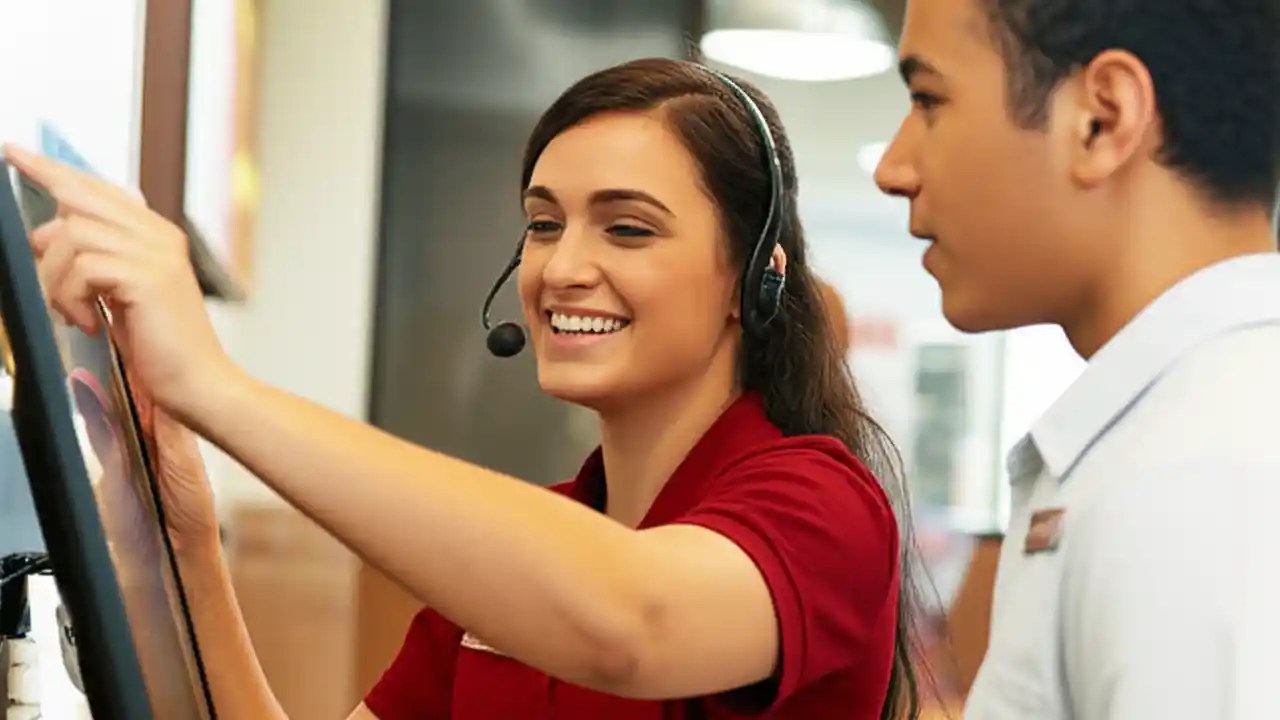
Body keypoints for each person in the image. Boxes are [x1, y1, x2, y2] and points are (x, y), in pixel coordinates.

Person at [4, 57, 930, 719]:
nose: (561, 267)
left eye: (628, 229)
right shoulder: (517, 559)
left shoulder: (823, 506)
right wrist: (180, 545)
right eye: (543, 223)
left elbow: (629, 620)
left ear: (754, 279)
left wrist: (217, 389)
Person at [875, 0, 1280, 718]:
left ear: (1101, 119)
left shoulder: (1199, 474)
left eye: (929, 100)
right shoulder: (1182, 433)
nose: (893, 168)